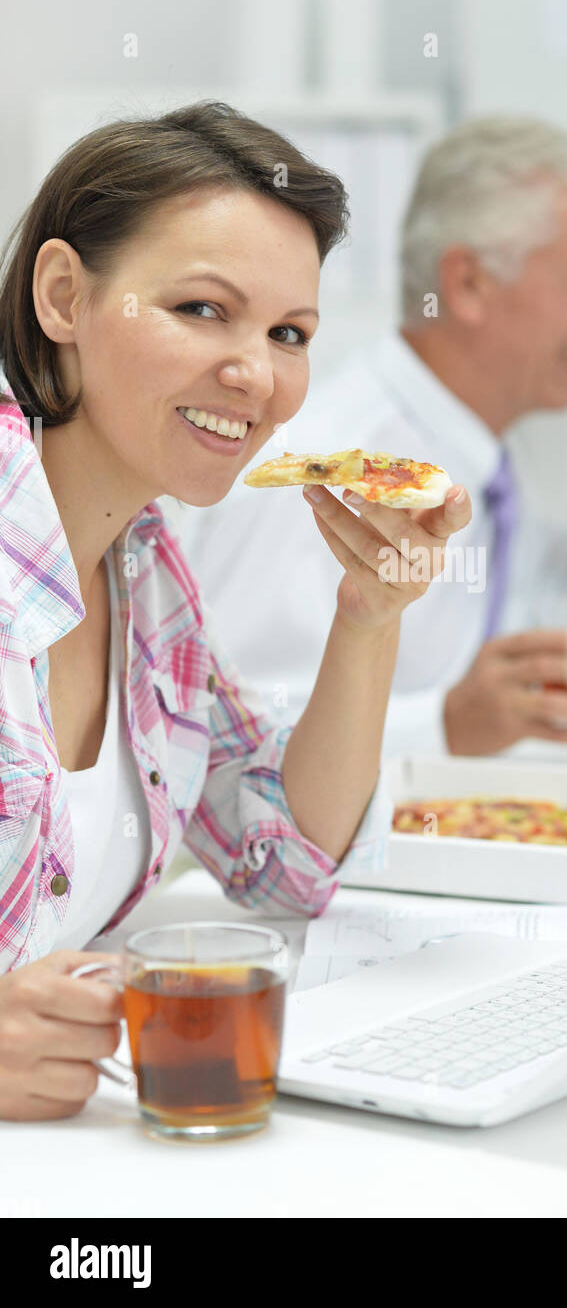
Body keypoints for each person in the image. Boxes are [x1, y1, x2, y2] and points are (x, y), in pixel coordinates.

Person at [0, 100, 471, 1122]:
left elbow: (284, 864)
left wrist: (369, 615)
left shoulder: (148, 570)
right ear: (64, 295)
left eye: (288, 332)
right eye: (202, 310)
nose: (255, 374)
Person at [179, 116, 567, 757]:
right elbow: (220, 738)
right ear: (470, 284)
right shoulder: (322, 471)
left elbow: (549, 622)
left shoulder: (476, 447)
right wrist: (443, 728)